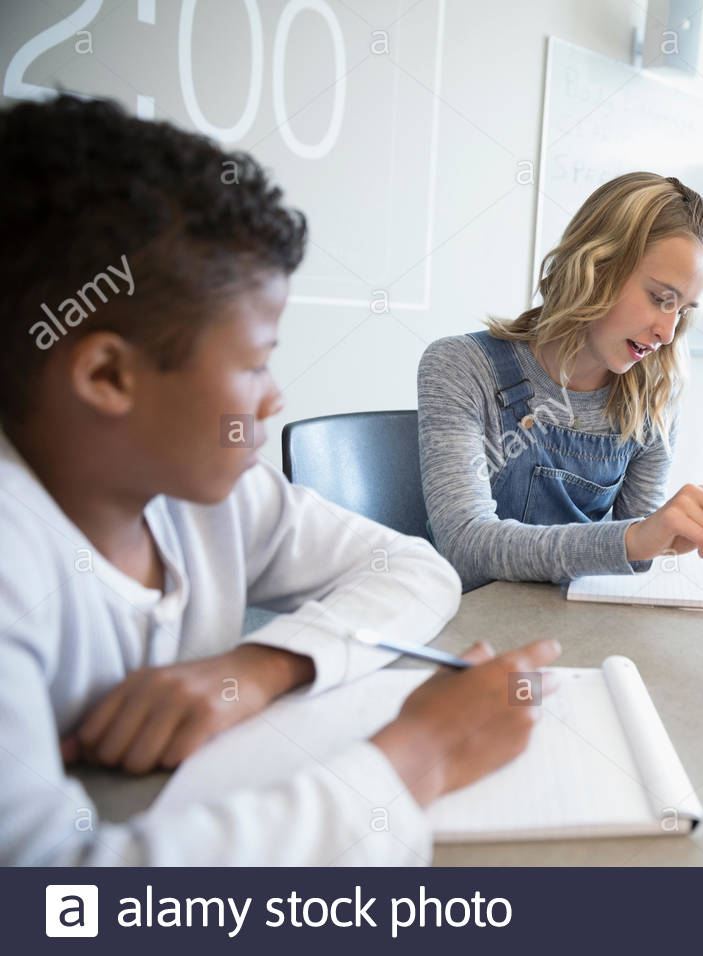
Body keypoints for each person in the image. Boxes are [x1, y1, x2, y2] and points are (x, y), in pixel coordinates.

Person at [0, 94, 559, 865]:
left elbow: (413, 565)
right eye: (256, 360)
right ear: (105, 374)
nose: (275, 395)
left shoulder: (211, 499)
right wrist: (420, 756)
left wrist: (259, 667)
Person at [418, 172, 703, 591]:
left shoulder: (654, 396)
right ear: (595, 266)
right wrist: (635, 538)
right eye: (661, 299)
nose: (666, 332)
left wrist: (664, 539)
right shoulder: (460, 366)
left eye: (682, 310)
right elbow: (465, 544)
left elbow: (633, 559)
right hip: (474, 634)